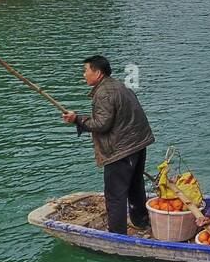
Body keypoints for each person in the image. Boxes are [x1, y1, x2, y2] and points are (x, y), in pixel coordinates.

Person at [61, 55, 155, 236]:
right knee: (135, 185)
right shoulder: (119, 85)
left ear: (97, 72)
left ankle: (117, 234)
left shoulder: (103, 93)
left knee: (115, 194)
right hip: (137, 145)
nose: (84, 75)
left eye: (86, 71)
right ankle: (141, 221)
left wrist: (77, 119)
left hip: (121, 151)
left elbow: (101, 124)